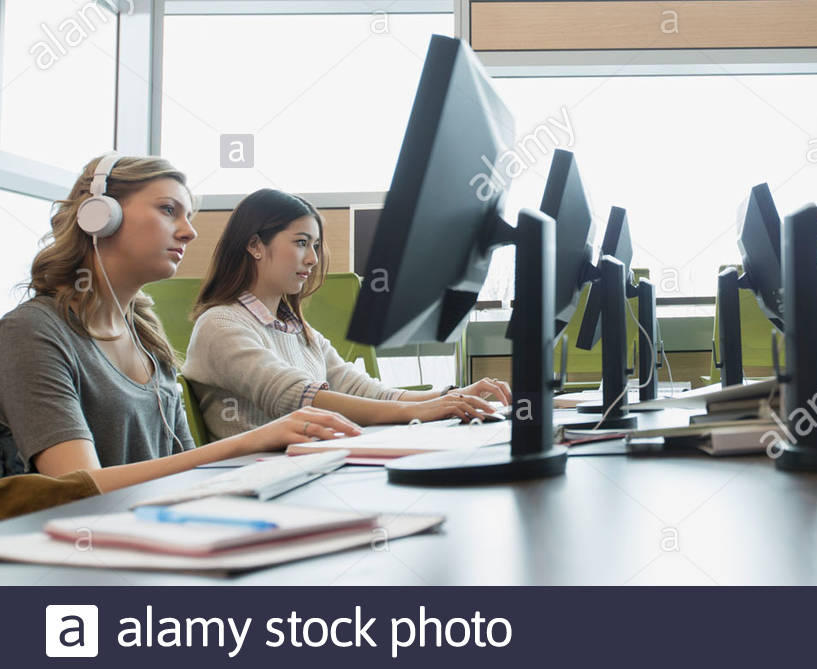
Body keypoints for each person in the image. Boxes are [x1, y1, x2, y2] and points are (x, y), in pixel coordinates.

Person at [0, 154, 363, 503]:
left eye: (188, 216)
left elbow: (187, 470)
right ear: (100, 217)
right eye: (168, 210)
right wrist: (250, 440)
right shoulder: (32, 331)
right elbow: (75, 488)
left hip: (154, 536)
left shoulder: (147, 340)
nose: (189, 232)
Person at [182, 188, 511, 440]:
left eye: (314, 246)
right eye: (301, 242)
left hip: (305, 470)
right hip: (254, 485)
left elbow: (368, 392)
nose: (312, 259)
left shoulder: (299, 331)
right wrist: (419, 410)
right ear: (254, 245)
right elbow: (300, 398)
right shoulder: (221, 325)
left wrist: (448, 397)